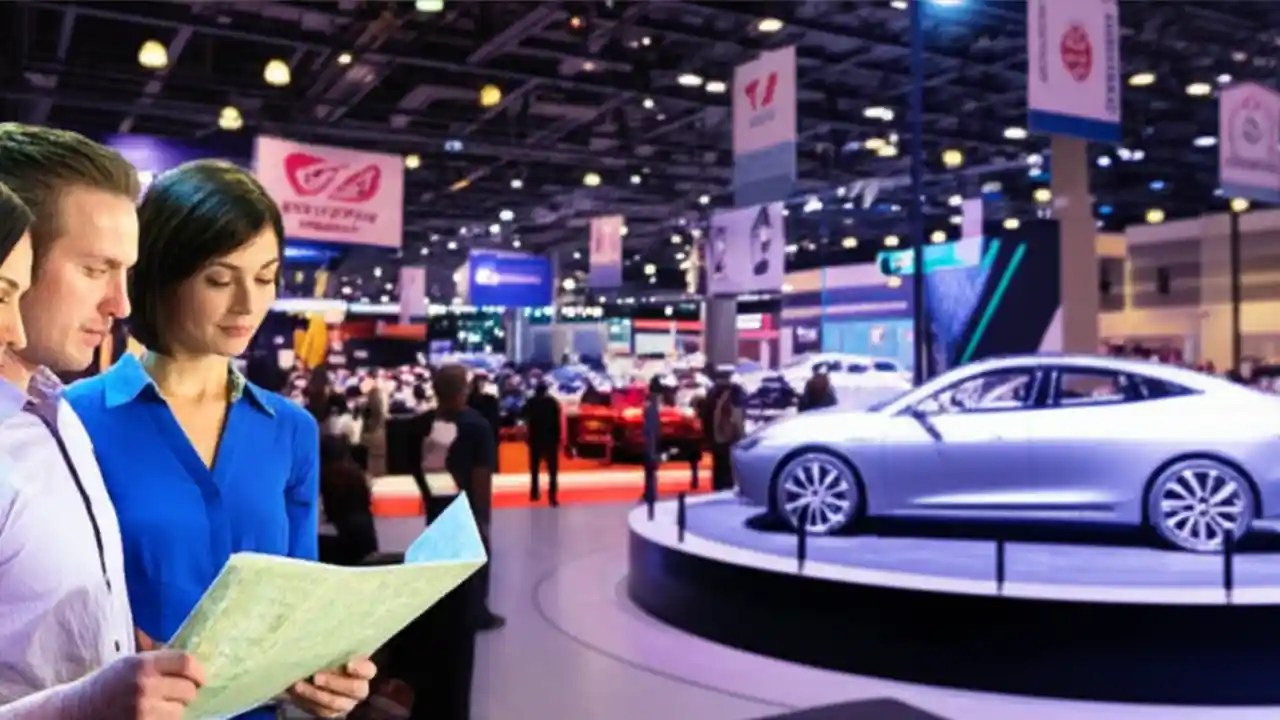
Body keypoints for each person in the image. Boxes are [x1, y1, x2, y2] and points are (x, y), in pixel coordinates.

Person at [64, 160, 374, 719]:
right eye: (219, 279)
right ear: (160, 274)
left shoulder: (290, 430)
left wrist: (326, 676)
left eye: (265, 277)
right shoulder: (74, 421)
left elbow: (298, 600)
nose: (248, 305)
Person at [0, 129, 208, 717]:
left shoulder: (58, 411)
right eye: (96, 269)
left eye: (126, 273)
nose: (121, 304)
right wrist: (86, 706)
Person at [418, 363, 497, 718]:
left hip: (439, 505)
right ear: (463, 389)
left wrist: (438, 501)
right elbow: (481, 475)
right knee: (475, 563)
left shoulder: (430, 424)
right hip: (463, 507)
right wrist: (480, 514)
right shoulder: (477, 426)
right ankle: (474, 613)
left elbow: (427, 469)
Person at [521, 380, 561, 506]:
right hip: (550, 439)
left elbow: (523, 416)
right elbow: (557, 422)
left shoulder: (531, 402)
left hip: (535, 439)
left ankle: (534, 493)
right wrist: (558, 439)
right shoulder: (552, 402)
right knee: (552, 470)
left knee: (534, 468)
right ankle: (552, 496)